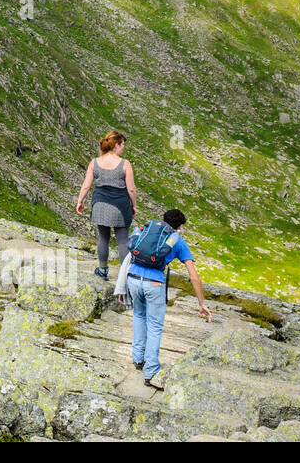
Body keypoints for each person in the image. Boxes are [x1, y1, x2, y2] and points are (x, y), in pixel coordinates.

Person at [124, 208, 212, 389]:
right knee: (155, 325)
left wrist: (122, 288)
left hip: (132, 278)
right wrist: (201, 303)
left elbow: (130, 256)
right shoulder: (177, 241)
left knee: (139, 316)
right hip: (154, 283)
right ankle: (151, 371)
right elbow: (194, 276)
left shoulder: (147, 230)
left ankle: (137, 358)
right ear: (179, 226)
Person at [75, 130, 137, 280]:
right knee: (123, 240)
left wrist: (80, 201)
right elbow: (131, 189)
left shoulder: (94, 162)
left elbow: (86, 185)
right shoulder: (124, 163)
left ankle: (102, 270)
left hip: (100, 205)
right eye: (122, 145)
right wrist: (134, 205)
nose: (123, 148)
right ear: (116, 145)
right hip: (120, 206)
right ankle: (125, 276)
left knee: (103, 238)